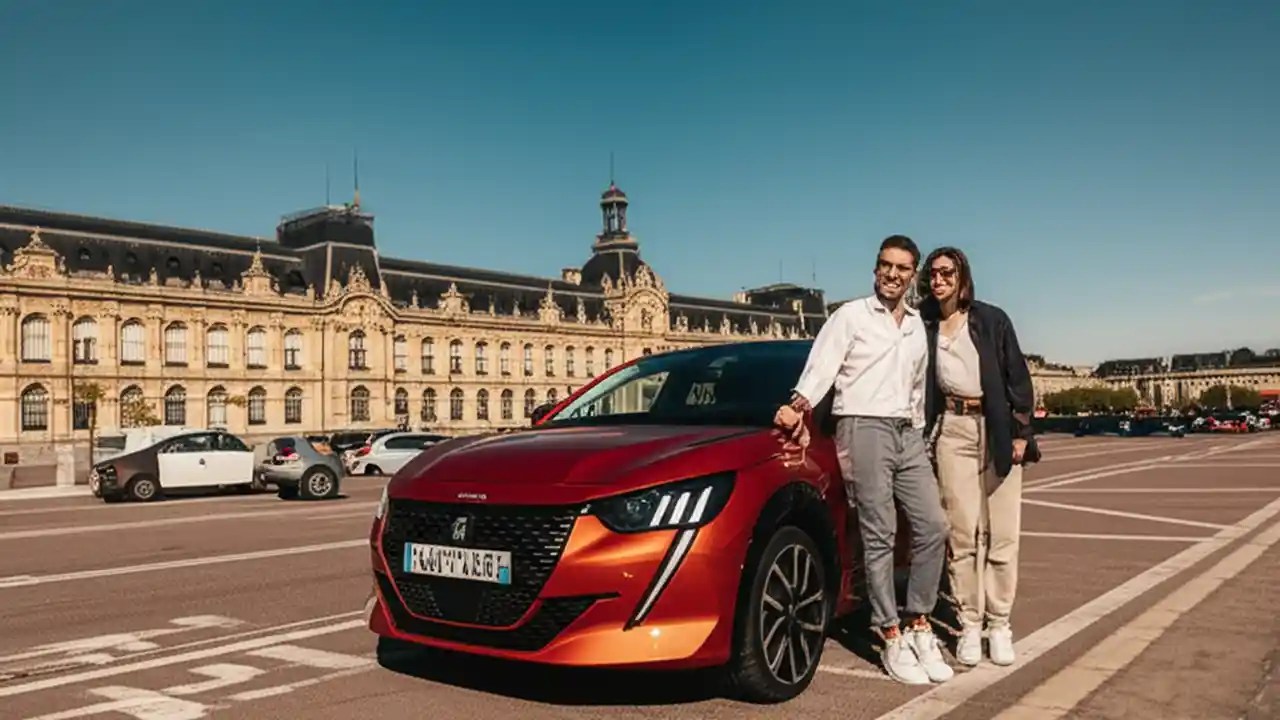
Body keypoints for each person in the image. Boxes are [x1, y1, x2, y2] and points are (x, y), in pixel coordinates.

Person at [774, 235, 953, 685]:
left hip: (906, 431)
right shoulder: (850, 316)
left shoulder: (915, 325)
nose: (893, 274)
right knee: (880, 531)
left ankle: (918, 621)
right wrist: (798, 404)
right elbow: (822, 366)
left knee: (934, 526)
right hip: (863, 424)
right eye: (886, 265)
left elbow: (916, 384)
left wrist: (918, 429)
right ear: (876, 269)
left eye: (903, 268)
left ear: (913, 276)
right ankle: (889, 633)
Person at [917, 246, 1040, 667]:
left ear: (962, 275)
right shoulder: (925, 323)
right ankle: (970, 622)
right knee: (962, 533)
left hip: (996, 426)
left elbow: (1018, 379)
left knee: (1003, 532)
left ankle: (999, 622)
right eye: (932, 274)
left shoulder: (991, 319)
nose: (939, 281)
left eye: (947, 273)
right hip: (952, 428)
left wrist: (1022, 432)